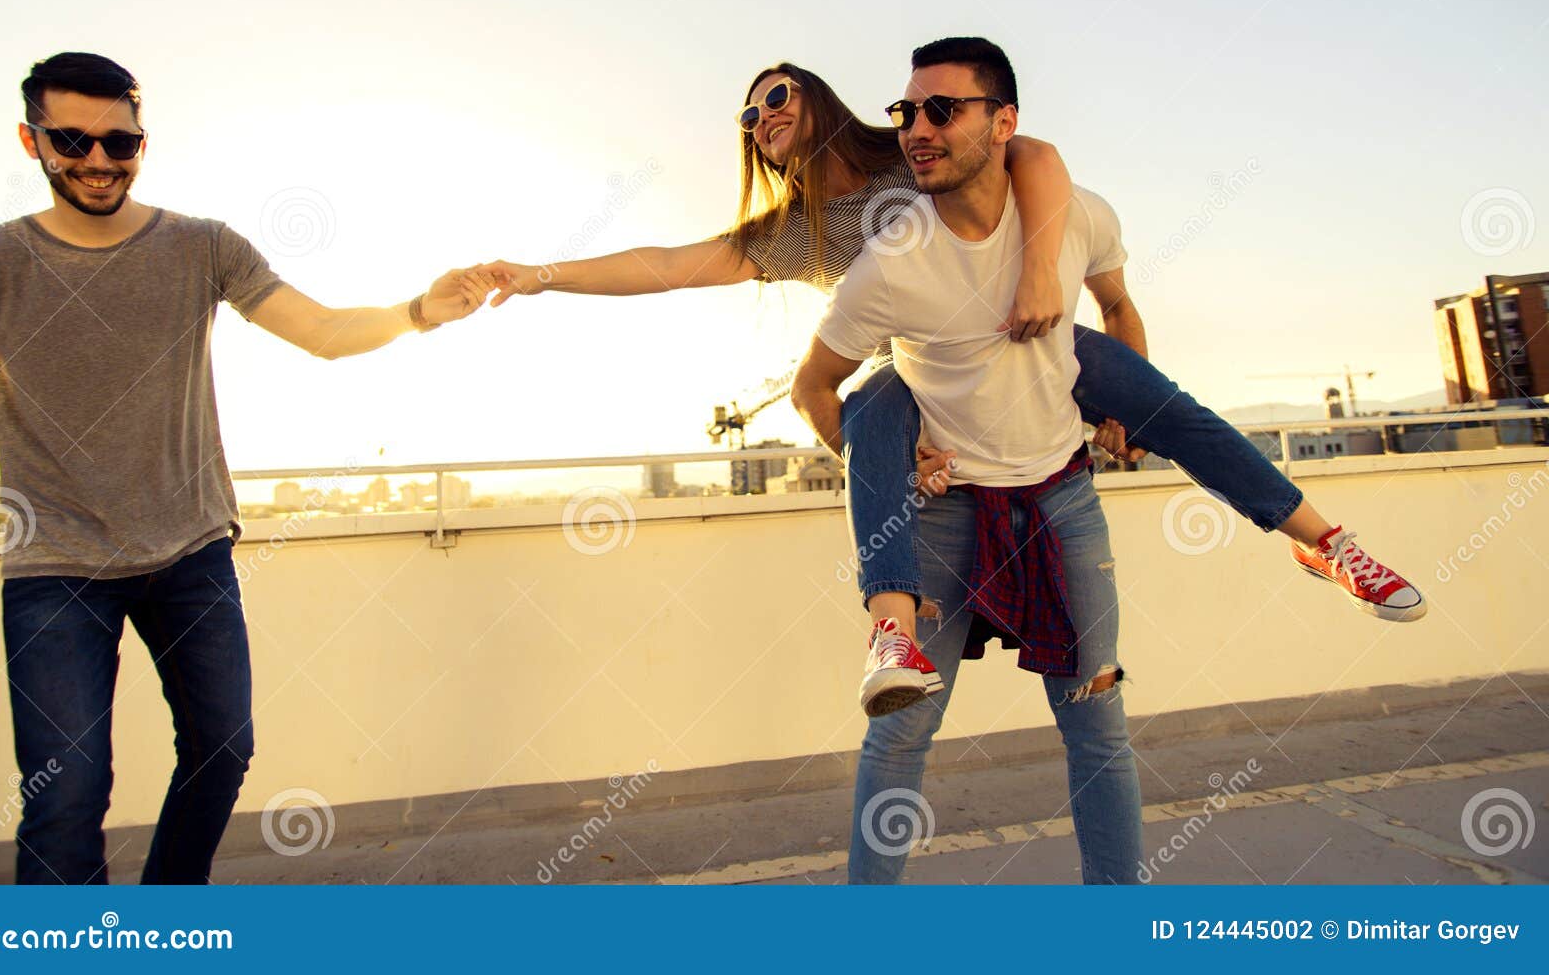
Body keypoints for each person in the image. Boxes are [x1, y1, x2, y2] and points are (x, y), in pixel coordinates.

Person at [478, 60, 1426, 713]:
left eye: (774, 97)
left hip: (1025, 335)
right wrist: (537, 275)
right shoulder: (789, 234)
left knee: (1171, 407)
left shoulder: (917, 145)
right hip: (920, 372)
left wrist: (1044, 274)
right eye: (746, 117)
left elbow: (1041, 160)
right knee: (873, 404)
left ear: (815, 99)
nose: (760, 118)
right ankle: (890, 634)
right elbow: (663, 264)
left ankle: (1324, 544)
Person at [0, 52, 490, 884]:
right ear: (32, 141)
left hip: (190, 553)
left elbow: (320, 331)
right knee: (66, 796)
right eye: (72, 141)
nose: (98, 161)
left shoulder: (202, 248)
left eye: (120, 144)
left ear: (141, 142)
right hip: (55, 567)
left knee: (223, 749)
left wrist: (421, 312)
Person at [791, 36, 1141, 883]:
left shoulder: (1073, 212)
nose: (917, 127)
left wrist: (1121, 413)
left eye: (941, 109)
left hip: (1062, 499)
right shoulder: (890, 262)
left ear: (1003, 122)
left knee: (1096, 720)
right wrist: (889, 464)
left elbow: (1120, 303)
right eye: (906, 111)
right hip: (945, 517)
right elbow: (815, 389)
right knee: (902, 726)